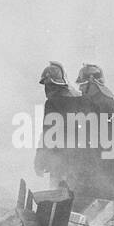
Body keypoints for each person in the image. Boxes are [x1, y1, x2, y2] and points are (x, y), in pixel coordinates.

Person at [73, 63, 114, 201]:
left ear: (92, 82)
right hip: (107, 159)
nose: (81, 88)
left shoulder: (96, 101)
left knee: (103, 202)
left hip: (102, 162)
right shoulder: (105, 99)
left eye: (83, 84)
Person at [34, 61, 81, 192]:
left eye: (49, 86)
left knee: (59, 198)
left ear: (56, 86)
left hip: (60, 161)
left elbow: (48, 134)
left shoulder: (52, 103)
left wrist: (40, 160)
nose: (47, 89)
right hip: (81, 160)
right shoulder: (79, 98)